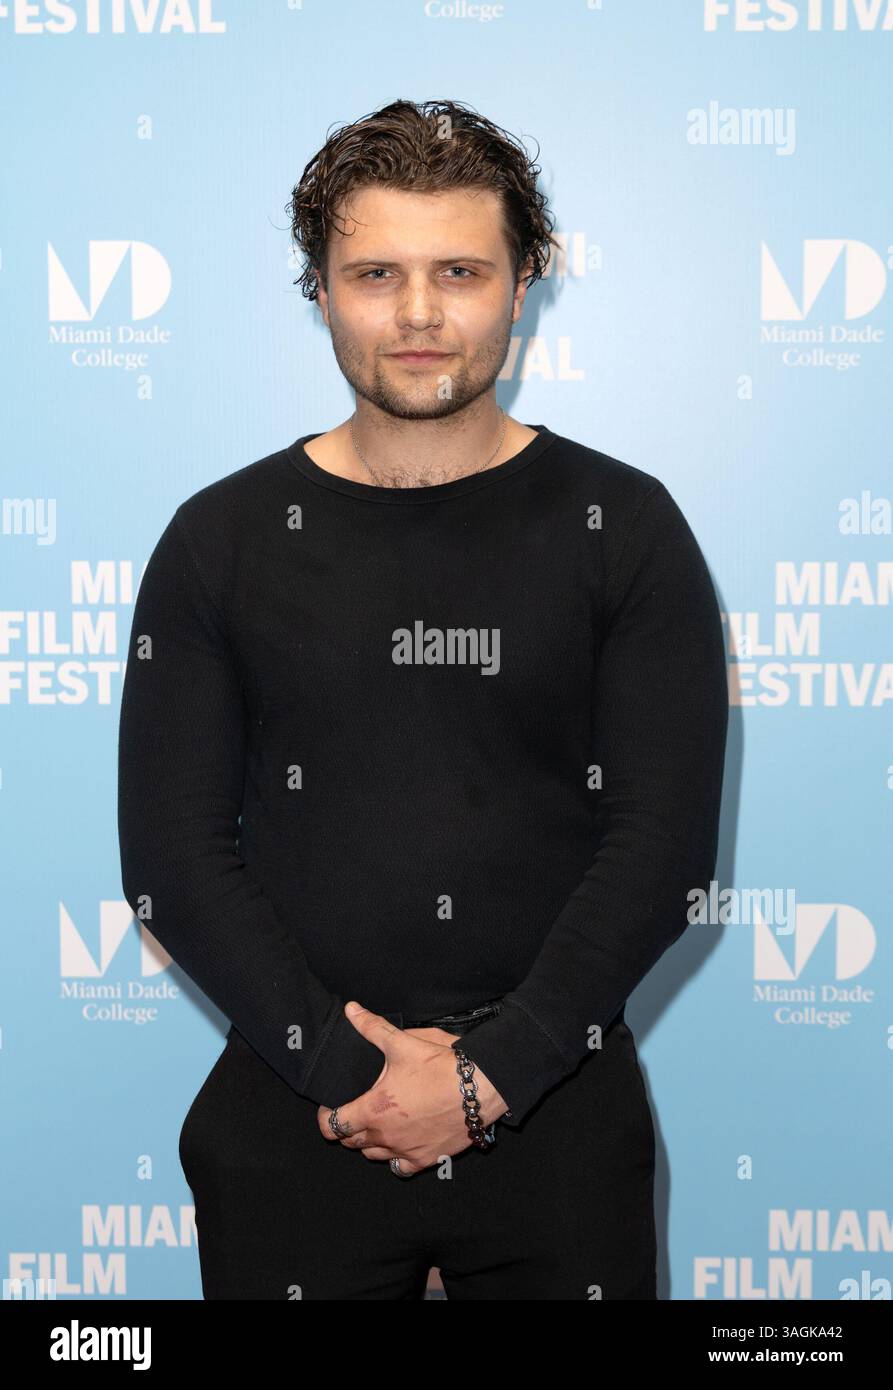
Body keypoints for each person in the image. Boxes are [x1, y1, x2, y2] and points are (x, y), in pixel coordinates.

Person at [117, 98, 728, 1300]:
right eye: (373, 272)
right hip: (298, 1116)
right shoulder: (221, 540)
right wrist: (355, 1074)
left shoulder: (625, 528)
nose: (415, 313)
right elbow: (173, 861)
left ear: (521, 281)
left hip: (557, 1114)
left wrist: (485, 1076)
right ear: (319, 287)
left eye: (457, 269)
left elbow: (660, 847)